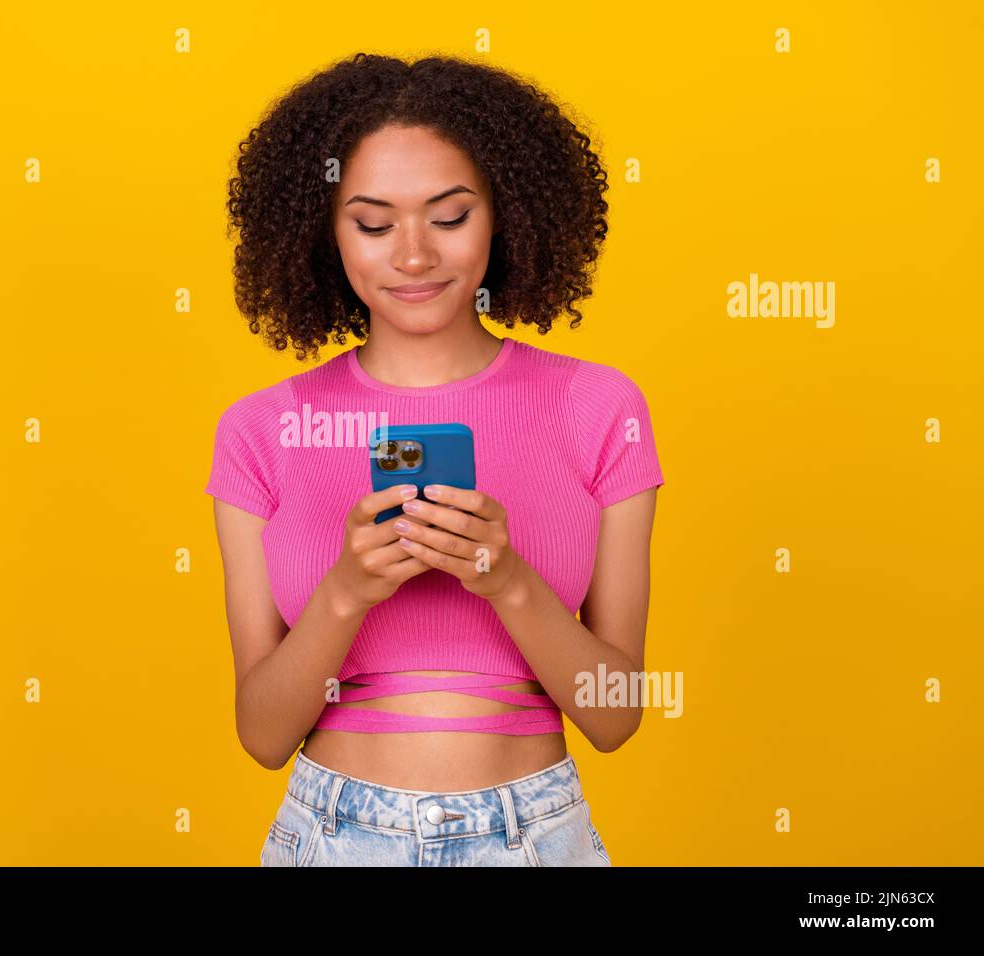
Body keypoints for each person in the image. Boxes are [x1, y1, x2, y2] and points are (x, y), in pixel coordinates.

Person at [206, 52, 664, 866]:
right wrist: (347, 593)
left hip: (536, 834)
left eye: (449, 218)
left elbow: (616, 715)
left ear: (504, 215)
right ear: (325, 230)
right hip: (333, 834)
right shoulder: (261, 429)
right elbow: (263, 734)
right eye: (373, 224)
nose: (413, 257)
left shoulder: (599, 409)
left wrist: (509, 581)